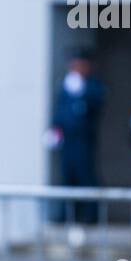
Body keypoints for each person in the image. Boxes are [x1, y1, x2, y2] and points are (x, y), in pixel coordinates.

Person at [46, 48, 105, 237]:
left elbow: (97, 103)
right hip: (67, 140)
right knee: (67, 177)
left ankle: (90, 215)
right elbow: (59, 111)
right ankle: (66, 214)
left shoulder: (91, 86)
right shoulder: (65, 85)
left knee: (85, 177)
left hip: (83, 140)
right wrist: (54, 129)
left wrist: (83, 92)